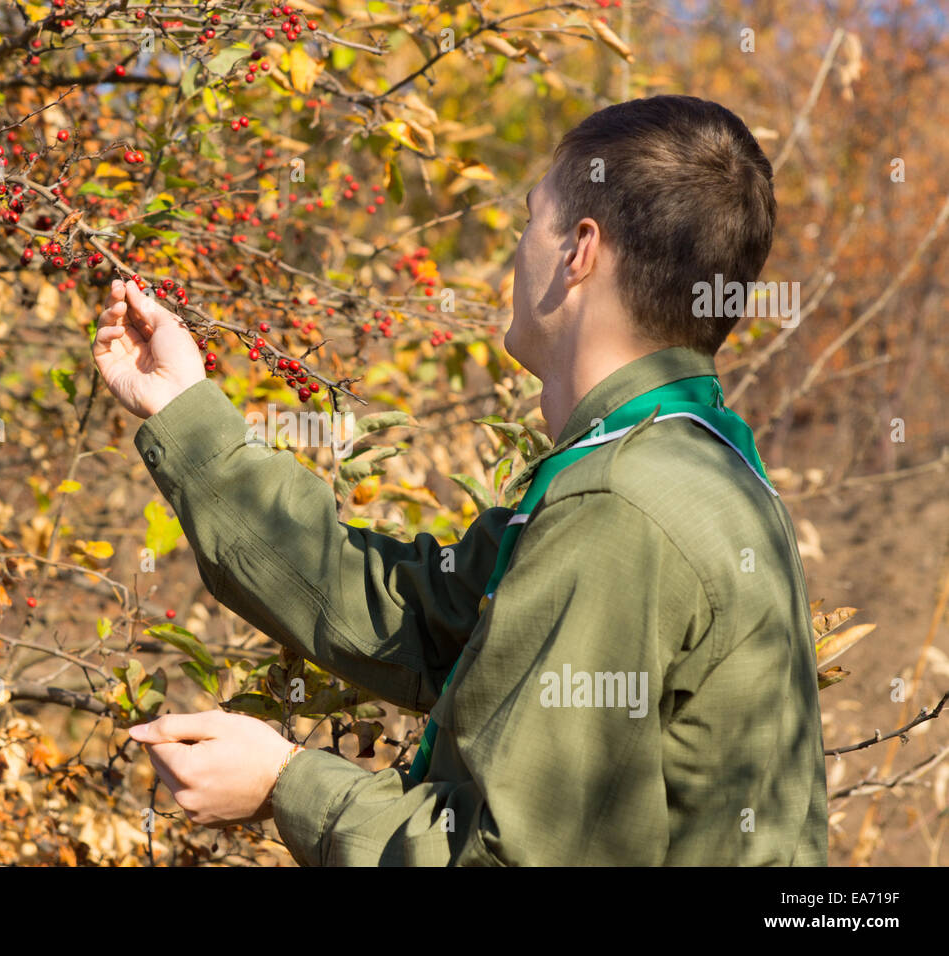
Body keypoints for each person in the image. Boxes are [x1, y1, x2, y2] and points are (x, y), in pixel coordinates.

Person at [93, 94, 829, 866]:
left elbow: (502, 857)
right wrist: (183, 410)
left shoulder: (621, 508)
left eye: (529, 219)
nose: (517, 250)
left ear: (580, 250)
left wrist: (284, 782)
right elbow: (411, 614)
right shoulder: (683, 463)